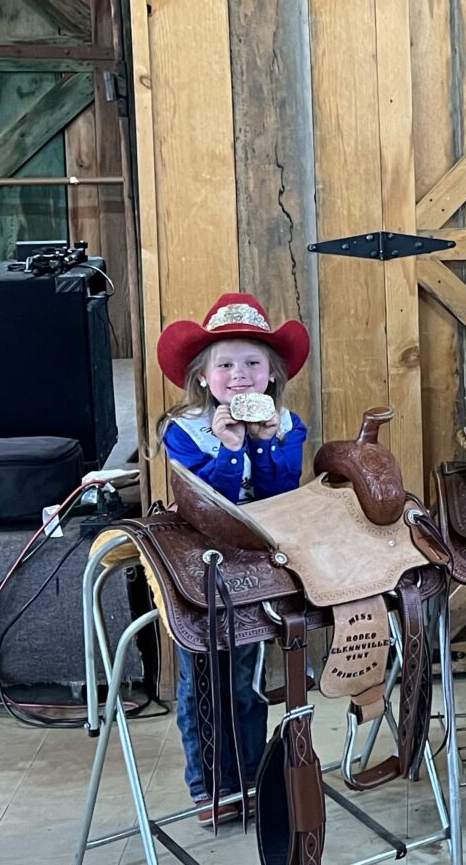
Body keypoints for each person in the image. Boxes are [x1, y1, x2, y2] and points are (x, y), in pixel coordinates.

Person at [156, 292, 310, 827]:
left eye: (252, 363)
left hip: (251, 564)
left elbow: (278, 495)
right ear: (202, 377)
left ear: (272, 375)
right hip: (200, 561)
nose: (239, 375)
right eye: (225, 364)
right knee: (200, 676)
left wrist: (264, 445)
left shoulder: (288, 426)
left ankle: (248, 778)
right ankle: (209, 784)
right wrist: (227, 450)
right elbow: (203, 504)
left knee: (243, 678)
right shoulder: (184, 430)